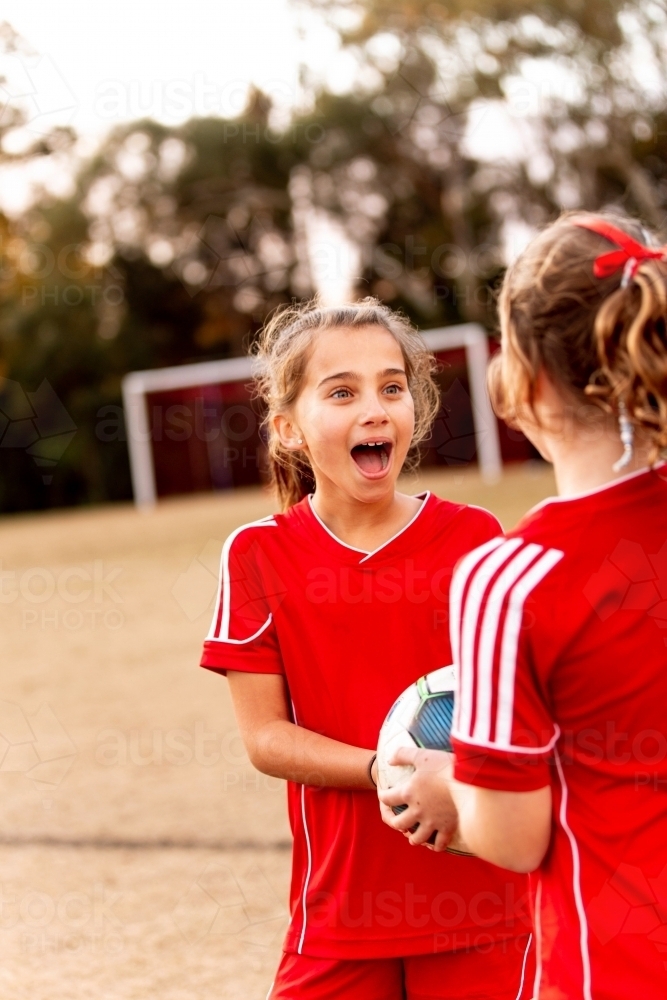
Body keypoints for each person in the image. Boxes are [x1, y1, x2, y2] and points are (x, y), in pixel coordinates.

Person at [199, 300, 533, 1000]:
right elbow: (264, 739)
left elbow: (521, 713)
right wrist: (384, 767)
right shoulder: (259, 555)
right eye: (342, 392)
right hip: (340, 918)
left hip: (487, 908)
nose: (375, 409)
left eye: (391, 387)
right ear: (288, 428)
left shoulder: (476, 539)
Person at [379, 214, 667, 1000]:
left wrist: (448, 791)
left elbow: (513, 838)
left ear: (522, 379)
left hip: (613, 967)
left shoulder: (512, 579)